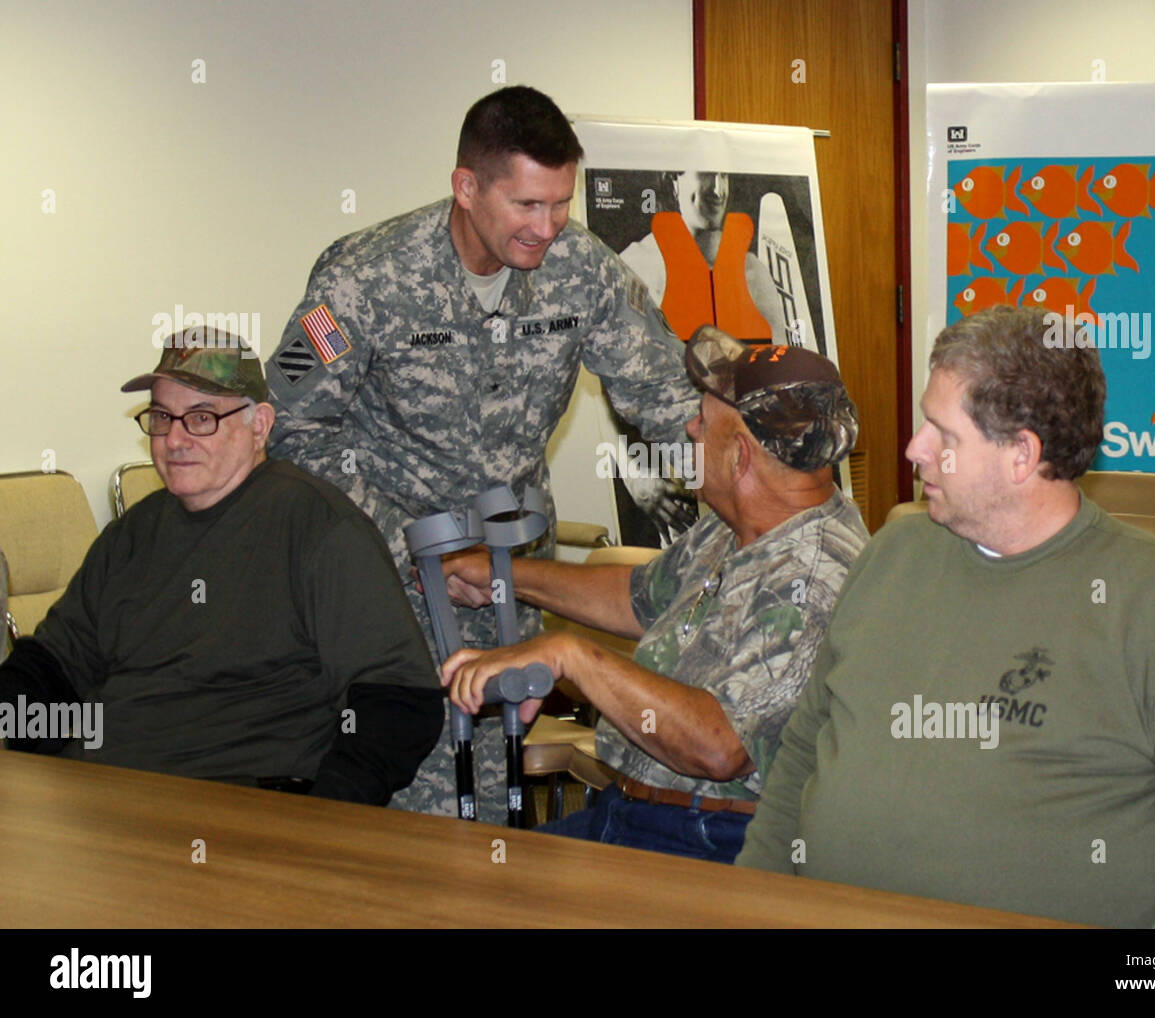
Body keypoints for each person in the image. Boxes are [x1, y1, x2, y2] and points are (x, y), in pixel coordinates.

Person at [737, 304, 1155, 927]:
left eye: (941, 433)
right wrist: (751, 904)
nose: (913, 448)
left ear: (1021, 456)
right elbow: (803, 756)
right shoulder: (890, 556)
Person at [264, 85, 699, 822]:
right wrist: (410, 544)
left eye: (561, 203)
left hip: (507, 577)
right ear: (466, 187)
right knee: (392, 785)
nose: (548, 226)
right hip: (385, 585)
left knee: (492, 786)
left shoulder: (583, 271)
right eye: (526, 205)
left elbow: (666, 396)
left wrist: (754, 471)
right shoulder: (364, 277)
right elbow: (292, 428)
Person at [441, 326, 867, 862]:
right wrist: (503, 576)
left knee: (482, 895)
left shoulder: (813, 576)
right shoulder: (739, 525)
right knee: (469, 878)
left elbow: (718, 746)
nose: (689, 428)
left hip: (708, 844)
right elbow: (638, 596)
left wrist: (570, 656)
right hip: (634, 815)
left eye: (704, 421)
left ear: (739, 456)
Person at [0, 335, 442, 805]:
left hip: (231, 812)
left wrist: (324, 821)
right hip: (99, 802)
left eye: (201, 418)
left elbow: (399, 700)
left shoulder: (316, 527)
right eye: (162, 417)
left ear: (260, 426)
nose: (174, 439)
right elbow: (51, 666)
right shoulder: (133, 534)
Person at [620, 171, 786, 344]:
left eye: (723, 175)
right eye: (706, 173)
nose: (717, 189)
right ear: (674, 178)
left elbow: (778, 361)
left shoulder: (753, 272)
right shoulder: (637, 265)